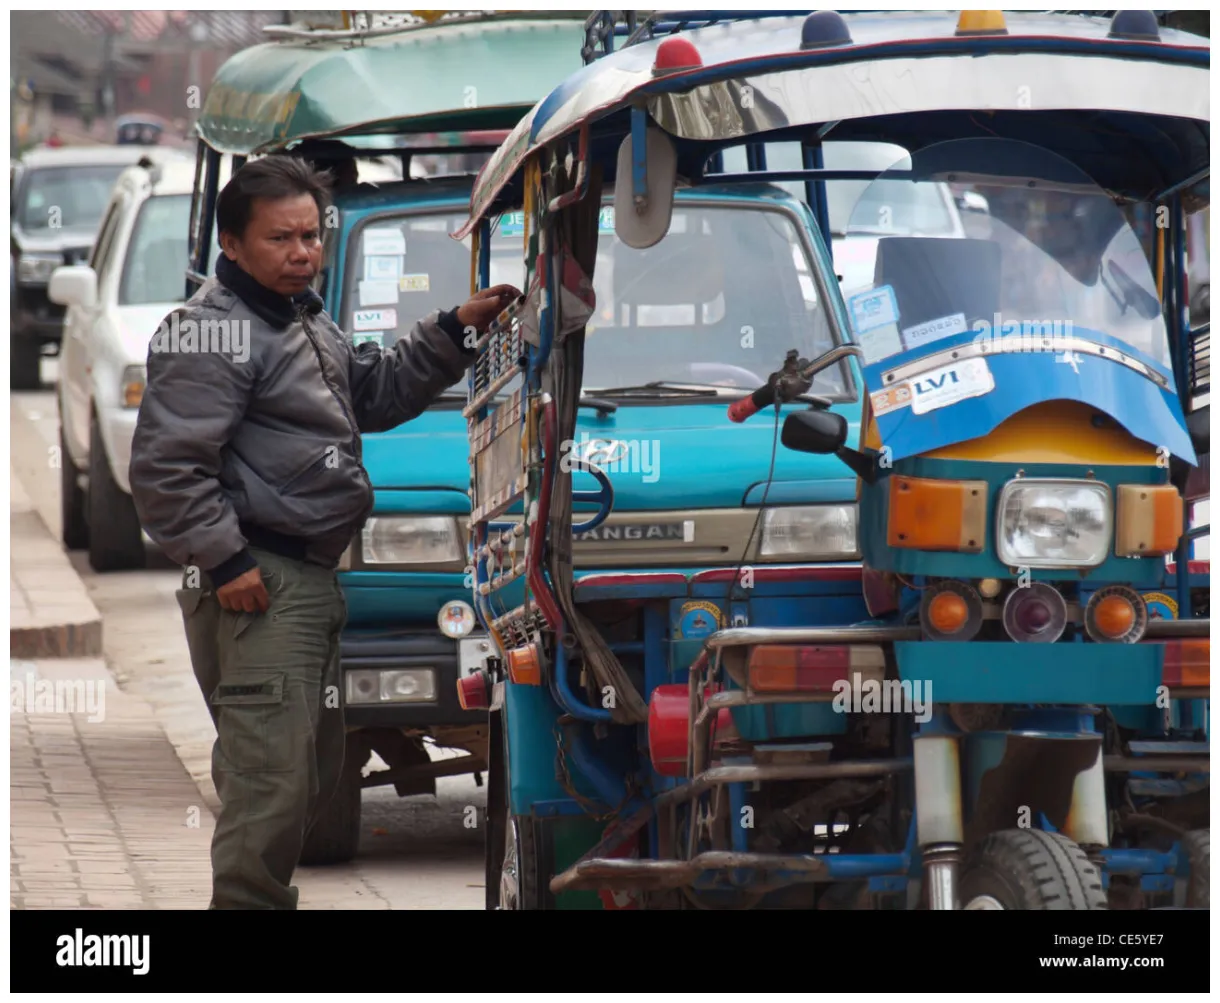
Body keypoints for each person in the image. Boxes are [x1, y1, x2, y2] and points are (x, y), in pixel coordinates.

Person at [127, 157, 517, 909]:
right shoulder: (211, 334)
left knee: (308, 773)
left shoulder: (302, 317)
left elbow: (372, 392)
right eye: (281, 238)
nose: (302, 252)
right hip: (258, 584)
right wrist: (226, 558)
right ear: (232, 244)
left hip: (309, 581)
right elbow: (167, 470)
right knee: (269, 778)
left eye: (311, 236)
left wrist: (453, 329)